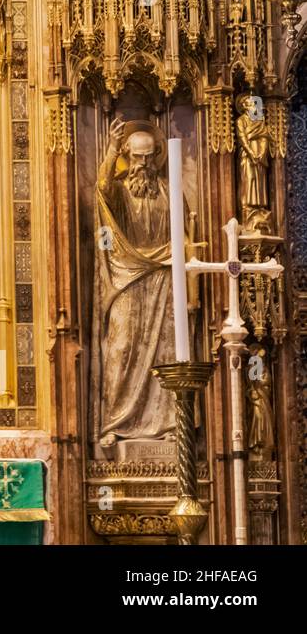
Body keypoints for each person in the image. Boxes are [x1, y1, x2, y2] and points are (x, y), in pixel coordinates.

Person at [94, 119, 181, 451]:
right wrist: (110, 149)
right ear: (126, 156)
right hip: (126, 278)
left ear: (157, 155)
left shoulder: (170, 193)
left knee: (168, 351)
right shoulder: (118, 190)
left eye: (148, 157)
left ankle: (169, 423)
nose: (143, 165)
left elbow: (185, 237)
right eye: (136, 157)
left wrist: (190, 286)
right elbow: (101, 188)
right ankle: (117, 421)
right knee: (122, 348)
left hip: (163, 278)